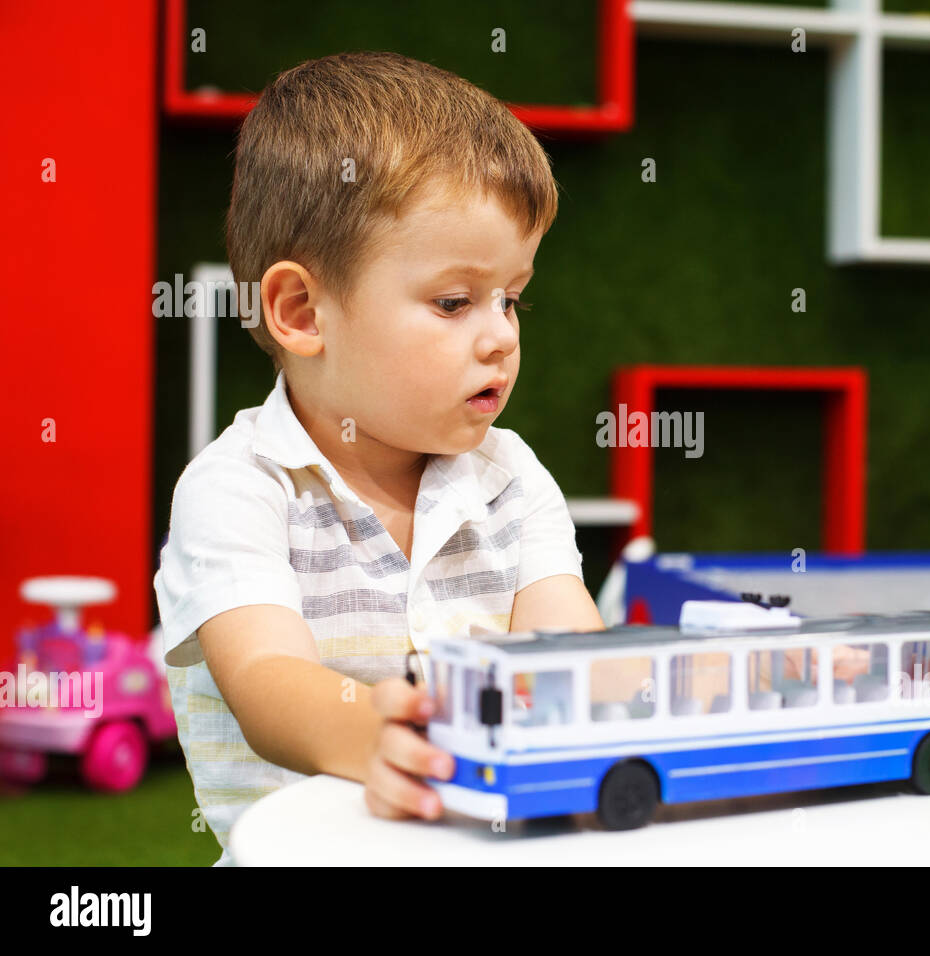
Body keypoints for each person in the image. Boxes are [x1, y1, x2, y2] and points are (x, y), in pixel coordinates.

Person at [154, 52, 605, 865]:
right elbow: (266, 679)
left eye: (513, 297)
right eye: (455, 301)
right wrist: (373, 734)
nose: (502, 333)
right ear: (302, 311)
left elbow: (571, 657)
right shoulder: (238, 489)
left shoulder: (511, 480)